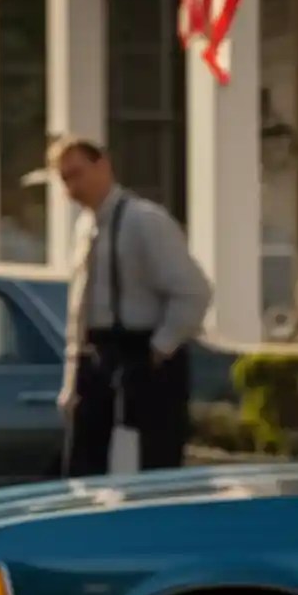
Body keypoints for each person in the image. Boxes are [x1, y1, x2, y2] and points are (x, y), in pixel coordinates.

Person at [51, 136, 213, 476]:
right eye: (64, 179)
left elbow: (193, 291)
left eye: (77, 174)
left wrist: (158, 349)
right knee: (84, 466)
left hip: (146, 354)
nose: (71, 188)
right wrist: (72, 379)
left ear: (103, 166)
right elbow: (79, 308)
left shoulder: (145, 221)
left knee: (151, 468)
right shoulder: (84, 228)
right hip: (98, 357)